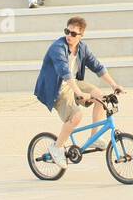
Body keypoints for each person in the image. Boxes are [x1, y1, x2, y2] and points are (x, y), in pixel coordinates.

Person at [33, 16, 126, 167]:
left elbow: (98, 67)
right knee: (76, 116)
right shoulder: (58, 48)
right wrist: (78, 92)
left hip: (73, 84)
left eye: (73, 34)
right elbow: (64, 72)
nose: (69, 36)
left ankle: (94, 137)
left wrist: (114, 85)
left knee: (99, 96)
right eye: (67, 32)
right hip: (56, 88)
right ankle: (56, 148)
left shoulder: (82, 48)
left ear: (81, 36)